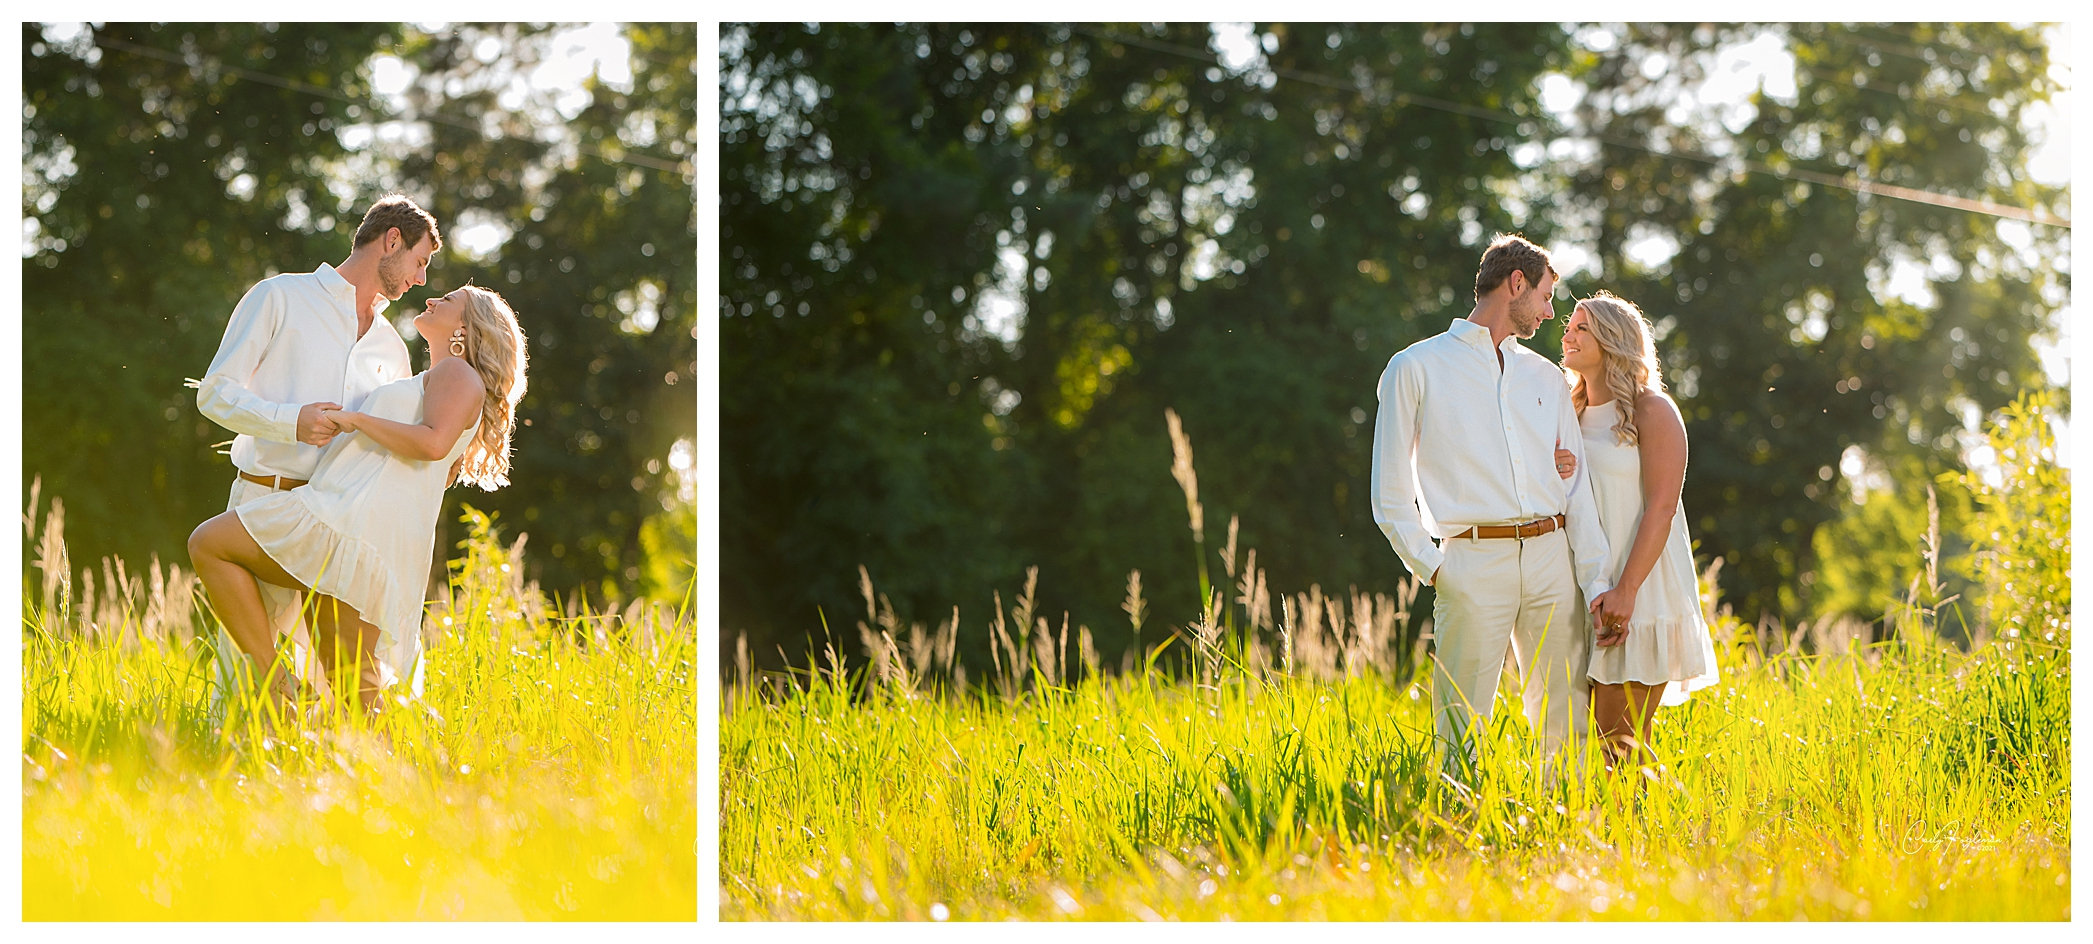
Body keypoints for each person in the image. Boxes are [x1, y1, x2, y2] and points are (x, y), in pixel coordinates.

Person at [188, 284, 528, 716]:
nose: (430, 298)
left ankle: (273, 679)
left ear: (465, 327)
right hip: (355, 529)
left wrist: (357, 420)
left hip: (348, 526)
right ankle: (287, 691)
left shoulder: (455, 373)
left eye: (447, 301)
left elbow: (432, 444)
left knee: (210, 544)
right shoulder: (442, 379)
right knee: (355, 690)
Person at [1370, 233, 1613, 777]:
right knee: (1461, 717)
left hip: (1552, 557)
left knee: (1565, 710)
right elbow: (1389, 493)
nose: (1550, 313)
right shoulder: (1416, 367)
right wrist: (1436, 569)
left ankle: (1566, 815)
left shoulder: (1546, 377)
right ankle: (1456, 816)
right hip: (1471, 561)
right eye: (1546, 297)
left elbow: (1577, 490)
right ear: (1516, 283)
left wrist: (1595, 580)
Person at [192, 194, 439, 719]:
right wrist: (291, 421)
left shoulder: (391, 348)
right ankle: (267, 698)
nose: (420, 280)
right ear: (391, 240)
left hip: (337, 527)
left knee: (345, 692)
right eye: (419, 262)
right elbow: (214, 394)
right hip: (264, 505)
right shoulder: (280, 297)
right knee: (241, 702)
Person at [1560, 291, 1720, 769]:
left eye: (1582, 328)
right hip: (1585, 588)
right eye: (1568, 326)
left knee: (1618, 746)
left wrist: (1626, 591)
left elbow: (1662, 508)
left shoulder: (1653, 410)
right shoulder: (1566, 412)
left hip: (1639, 590)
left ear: (1613, 340)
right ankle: (1626, 822)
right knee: (1599, 746)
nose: (1567, 335)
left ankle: (1640, 821)